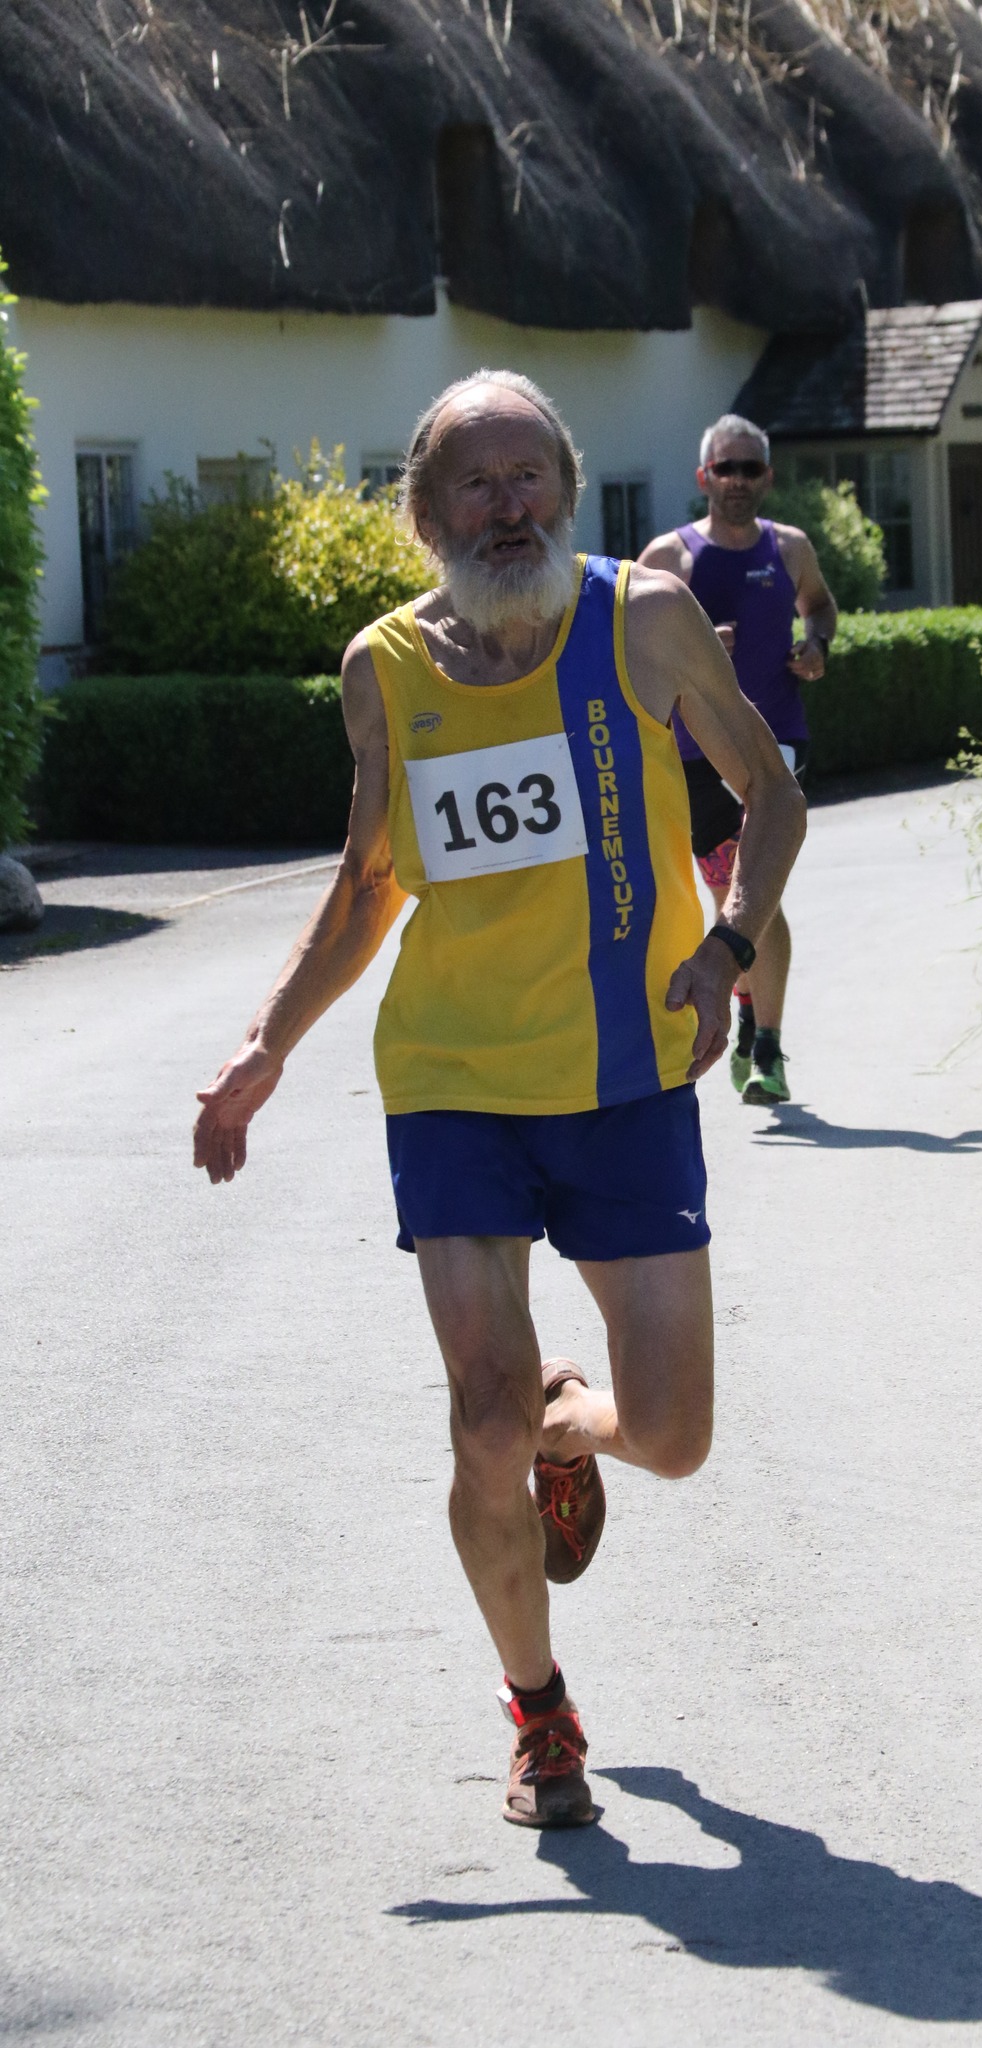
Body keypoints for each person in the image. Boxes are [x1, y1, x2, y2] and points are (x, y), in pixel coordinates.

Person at [192, 372, 804, 1831]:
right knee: (473, 1417)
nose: (511, 503)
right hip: (454, 1084)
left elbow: (769, 791)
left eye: (533, 474)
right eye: (479, 481)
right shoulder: (382, 667)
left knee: (671, 1435)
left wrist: (727, 949)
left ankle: (567, 1431)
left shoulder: (642, 620)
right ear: (424, 514)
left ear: (569, 490)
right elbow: (369, 883)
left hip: (625, 1077)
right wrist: (268, 1045)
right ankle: (541, 1713)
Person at [638, 414, 836, 1105]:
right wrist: (691, 646)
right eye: (727, 469)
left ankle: (770, 1051)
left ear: (767, 477)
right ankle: (751, 1013)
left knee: (761, 888)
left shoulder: (790, 549)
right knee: (729, 897)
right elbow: (631, 651)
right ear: (704, 478)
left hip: (775, 742)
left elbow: (819, 607)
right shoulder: (669, 558)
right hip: (693, 752)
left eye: (751, 469)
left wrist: (816, 648)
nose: (739, 481)